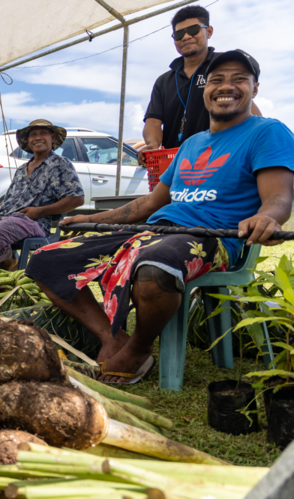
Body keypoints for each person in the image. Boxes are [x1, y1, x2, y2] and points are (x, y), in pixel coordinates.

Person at [28, 51, 294, 385]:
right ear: (205, 89)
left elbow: (279, 196)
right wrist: (87, 218)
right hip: (155, 230)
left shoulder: (267, 132)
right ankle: (112, 338)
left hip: (213, 236)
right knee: (46, 259)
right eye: (217, 79)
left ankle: (139, 348)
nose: (226, 86)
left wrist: (268, 216)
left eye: (239, 79)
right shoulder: (192, 143)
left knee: (156, 267)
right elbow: (151, 202)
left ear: (255, 89)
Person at [0, 120, 85, 271]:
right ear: (28, 140)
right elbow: (8, 202)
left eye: (43, 133)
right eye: (33, 135)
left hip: (33, 222)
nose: (38, 137)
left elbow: (77, 198)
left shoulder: (61, 164)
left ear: (52, 137)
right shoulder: (21, 170)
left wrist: (40, 211)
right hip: (2, 219)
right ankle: (10, 264)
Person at [141, 6, 261, 162]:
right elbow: (153, 121)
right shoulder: (164, 81)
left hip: (217, 160)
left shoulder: (224, 67)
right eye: (178, 34)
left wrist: (261, 139)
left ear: (209, 31)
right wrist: (152, 145)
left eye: (193, 29)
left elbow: (249, 110)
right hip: (172, 164)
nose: (185, 37)